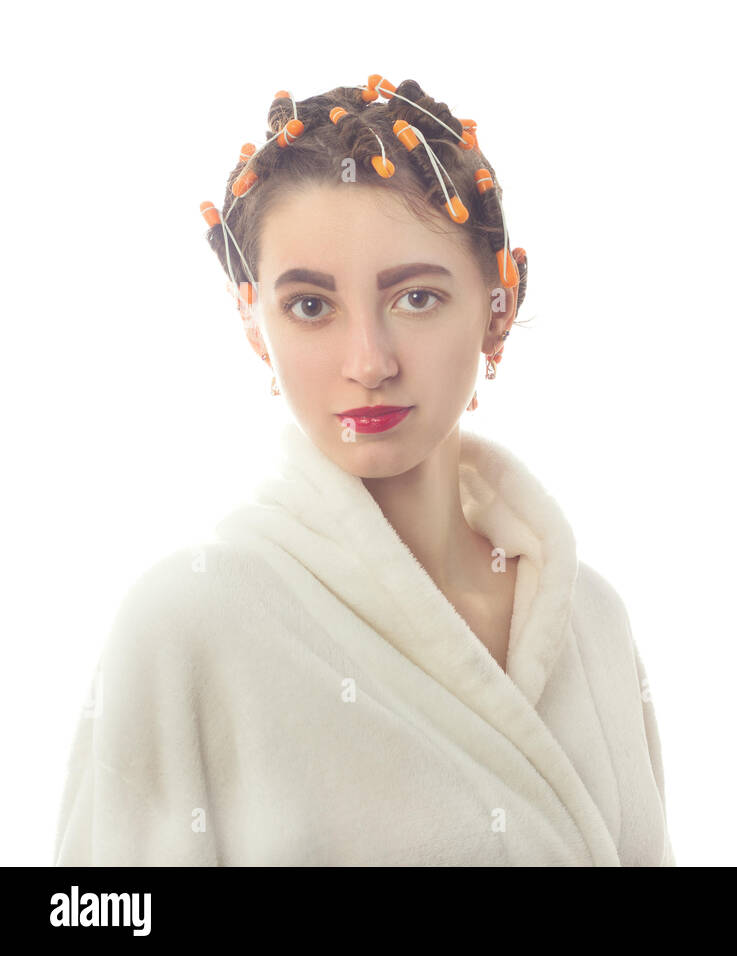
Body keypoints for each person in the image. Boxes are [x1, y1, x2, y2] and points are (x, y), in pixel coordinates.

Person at [52, 76, 674, 866]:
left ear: (498, 302)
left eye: (416, 297)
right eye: (311, 307)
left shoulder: (590, 618)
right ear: (254, 324)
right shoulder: (187, 623)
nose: (368, 364)